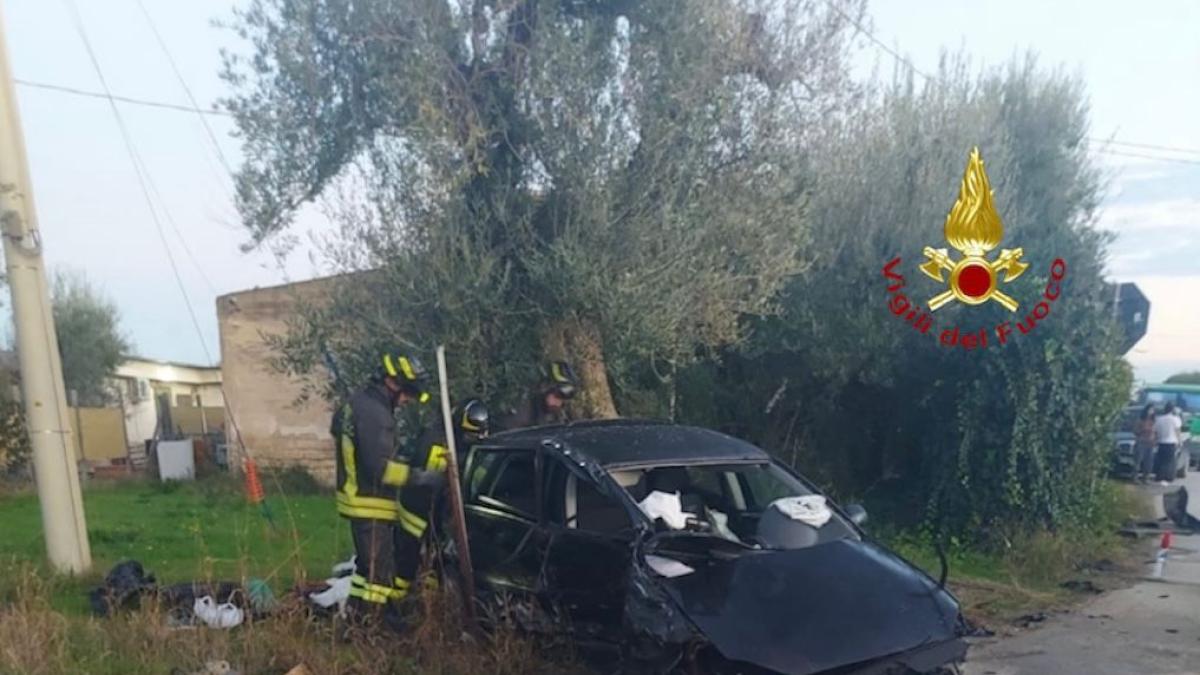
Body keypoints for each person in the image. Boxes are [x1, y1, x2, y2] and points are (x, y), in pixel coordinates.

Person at [330, 351, 435, 631]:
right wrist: (420, 477)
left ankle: (353, 621)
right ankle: (373, 630)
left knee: (366, 572)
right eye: (409, 391)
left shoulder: (361, 404)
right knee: (379, 574)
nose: (408, 399)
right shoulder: (375, 414)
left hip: (360, 501)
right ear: (392, 381)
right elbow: (380, 469)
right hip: (370, 503)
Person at [393, 398, 490, 594]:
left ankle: (430, 602)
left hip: (437, 516)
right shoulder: (436, 441)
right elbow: (429, 481)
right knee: (407, 562)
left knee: (436, 562)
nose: (472, 440)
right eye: (469, 436)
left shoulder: (466, 443)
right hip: (417, 510)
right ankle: (398, 603)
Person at [498, 360, 579, 430]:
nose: (558, 403)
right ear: (546, 387)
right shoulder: (522, 408)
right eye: (558, 395)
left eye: (563, 400)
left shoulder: (554, 419)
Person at [1153, 402, 1184, 484]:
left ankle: (1159, 476)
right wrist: (1180, 441)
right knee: (1169, 461)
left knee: (1161, 460)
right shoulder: (1176, 419)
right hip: (1171, 442)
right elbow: (1177, 431)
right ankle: (1167, 477)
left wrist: (1155, 441)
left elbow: (1156, 432)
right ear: (1172, 409)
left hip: (1161, 442)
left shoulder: (1159, 419)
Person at [1134, 404, 1158, 483]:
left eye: (1153, 410)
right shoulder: (1140, 420)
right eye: (1150, 409)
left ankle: (1146, 478)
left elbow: (1156, 432)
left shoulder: (1154, 421)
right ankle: (1135, 477)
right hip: (1141, 442)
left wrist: (1155, 440)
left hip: (1150, 443)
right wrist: (1143, 430)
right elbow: (1135, 431)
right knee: (1138, 460)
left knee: (1149, 462)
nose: (1151, 411)